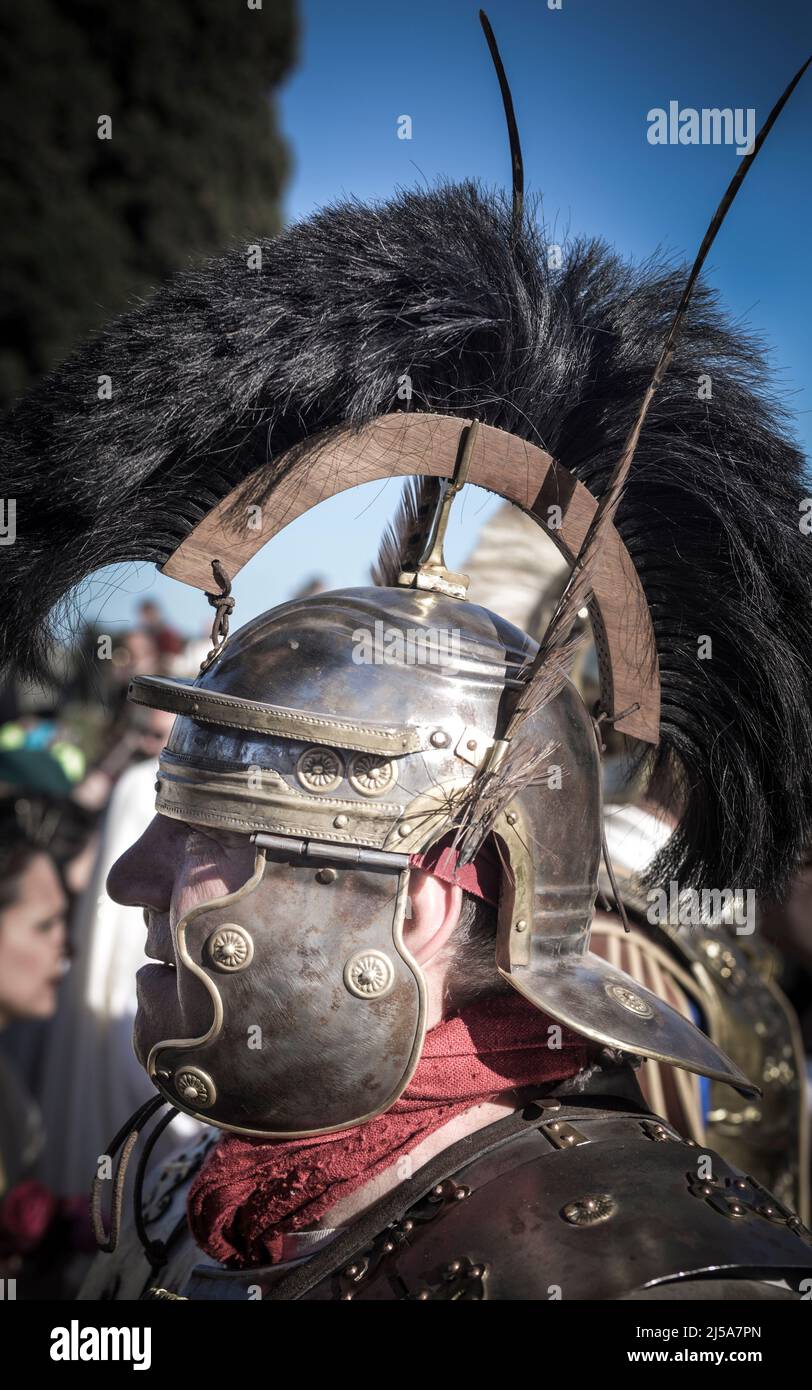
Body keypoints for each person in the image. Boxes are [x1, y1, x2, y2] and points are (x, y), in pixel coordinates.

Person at [3, 18, 812, 1301]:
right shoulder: (185, 1172)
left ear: (418, 907)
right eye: (174, 820)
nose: (133, 878)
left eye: (217, 830)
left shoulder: (659, 1283)